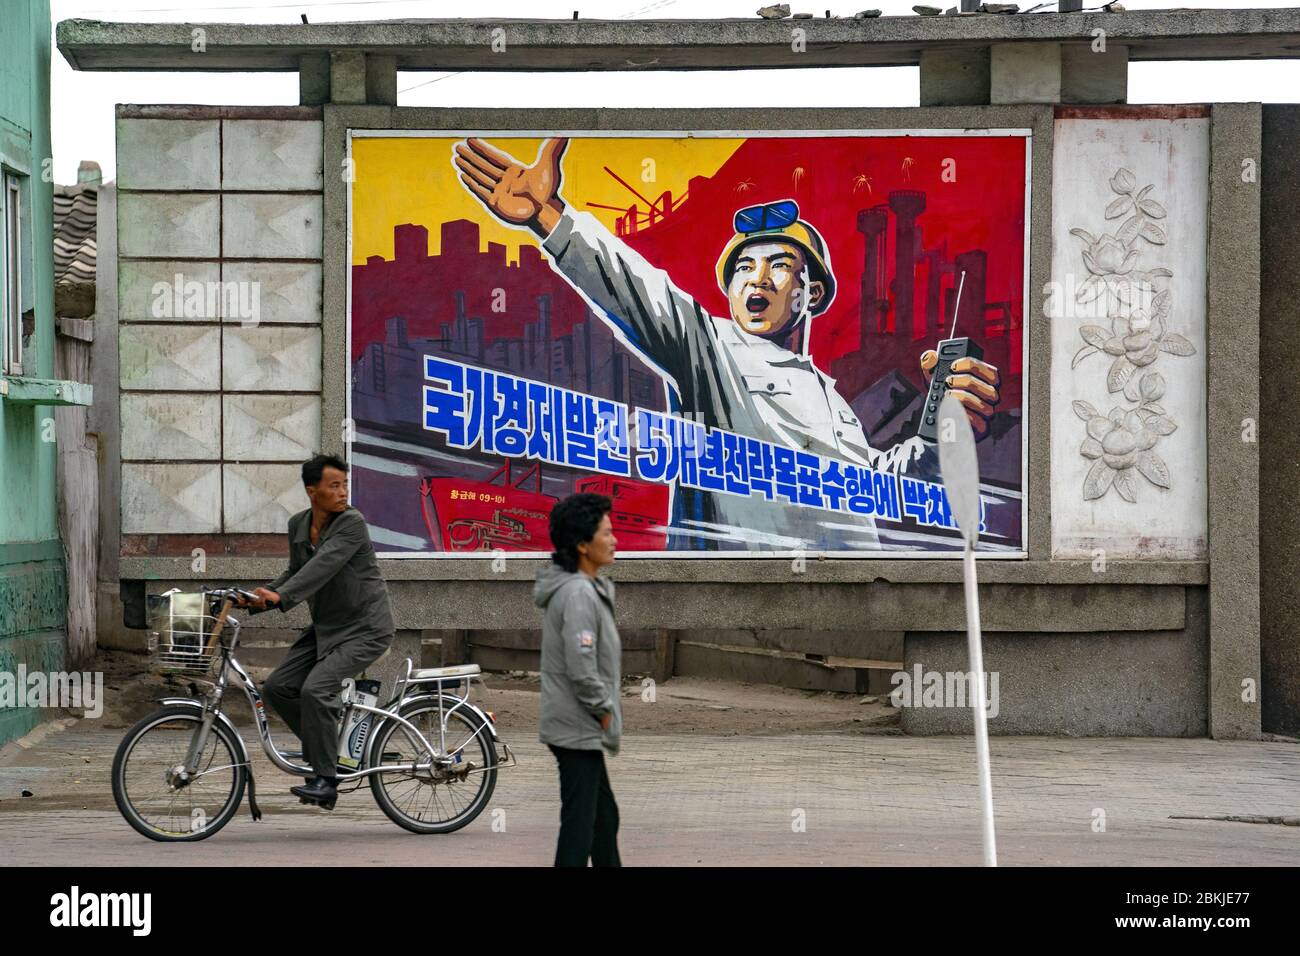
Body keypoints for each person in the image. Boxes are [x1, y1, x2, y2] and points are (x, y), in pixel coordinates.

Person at [452, 136, 1003, 550]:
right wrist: (551, 218)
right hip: (750, 589)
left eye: (778, 265)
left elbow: (876, 486)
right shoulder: (710, 351)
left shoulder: (833, 401)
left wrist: (941, 424)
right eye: (744, 267)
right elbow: (639, 290)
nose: (756, 279)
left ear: (810, 291)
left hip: (840, 592)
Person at [242, 454, 395, 808]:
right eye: (334, 486)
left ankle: (327, 779)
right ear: (313, 491)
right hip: (327, 627)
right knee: (278, 689)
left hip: (365, 628)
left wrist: (281, 596)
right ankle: (324, 749)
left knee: (316, 688)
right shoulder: (298, 524)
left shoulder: (352, 523)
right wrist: (255, 596)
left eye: (345, 485)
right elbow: (296, 571)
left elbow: (322, 568)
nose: (343, 493)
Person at [534, 492, 623, 867]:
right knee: (580, 827)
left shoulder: (585, 588)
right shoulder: (578, 594)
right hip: (578, 725)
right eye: (606, 532)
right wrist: (603, 711)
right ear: (583, 545)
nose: (615, 539)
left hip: (577, 726)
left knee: (603, 820)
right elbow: (581, 665)